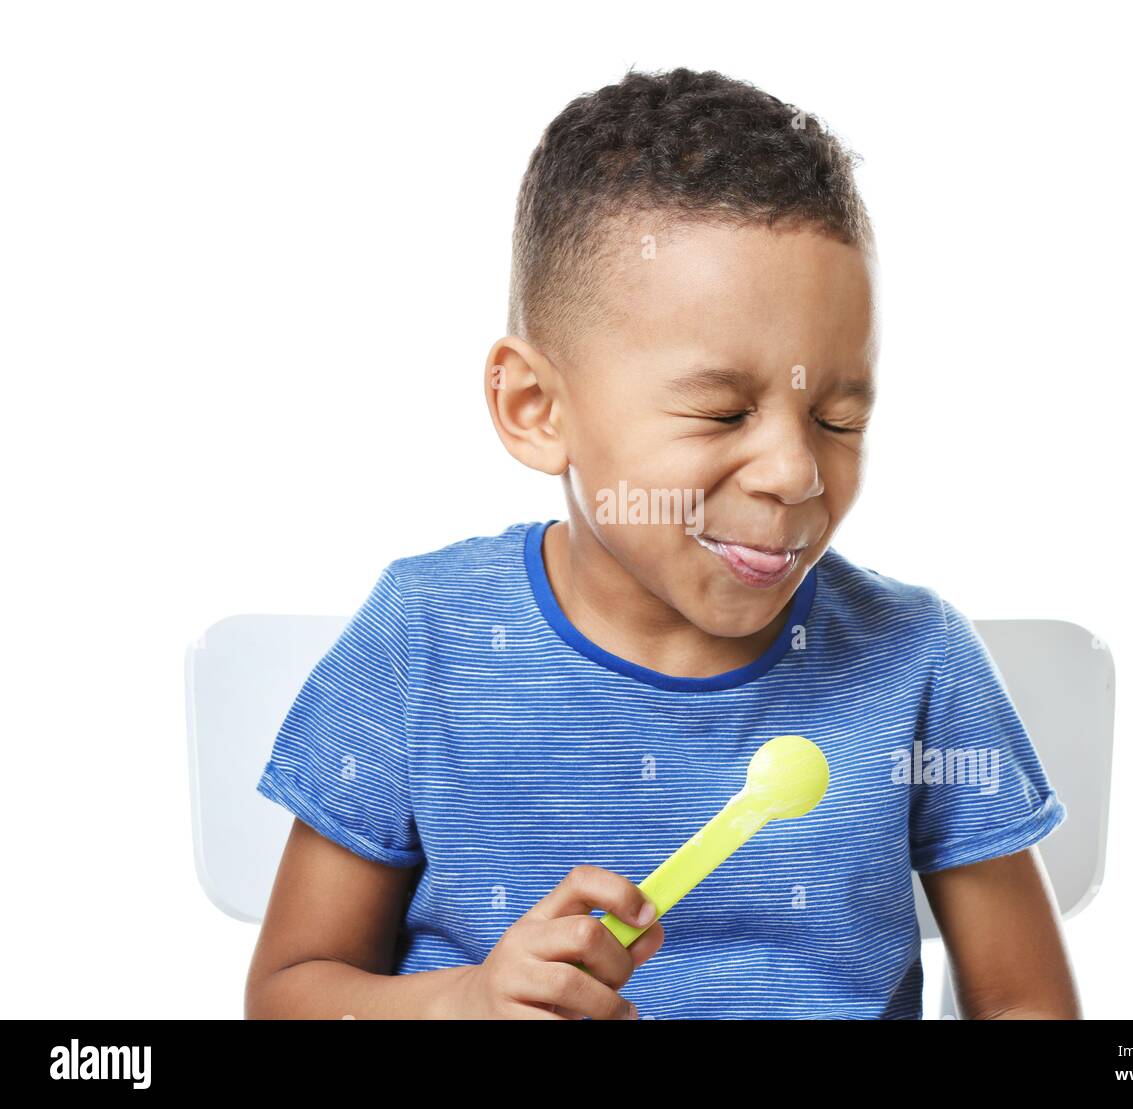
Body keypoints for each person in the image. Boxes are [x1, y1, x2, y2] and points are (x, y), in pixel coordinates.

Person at [245, 65, 1079, 1020]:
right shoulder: (422, 636)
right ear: (536, 407)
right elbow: (287, 995)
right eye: (723, 412)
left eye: (838, 419)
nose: (793, 472)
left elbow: (1028, 1005)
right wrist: (463, 1003)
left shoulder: (918, 660)